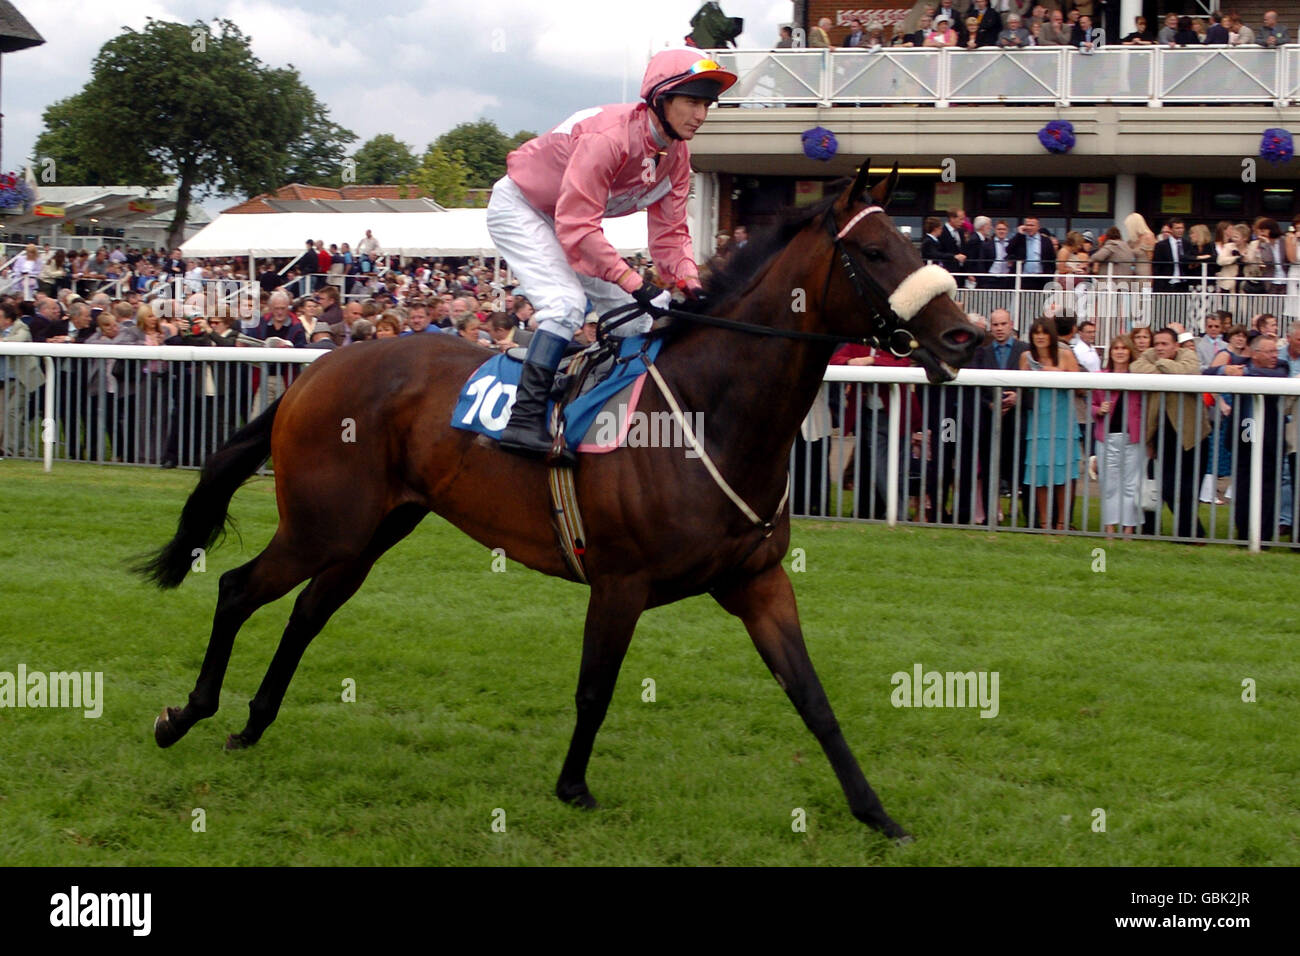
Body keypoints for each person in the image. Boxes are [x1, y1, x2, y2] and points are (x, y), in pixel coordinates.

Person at [485, 49, 734, 459]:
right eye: (692, 102)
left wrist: (690, 285)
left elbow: (671, 235)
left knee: (635, 321)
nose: (701, 114)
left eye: (706, 104)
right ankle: (523, 421)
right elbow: (578, 229)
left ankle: (592, 418)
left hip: (565, 219)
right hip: (523, 207)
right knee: (564, 305)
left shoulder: (677, 156)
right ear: (661, 99)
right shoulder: (610, 138)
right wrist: (636, 283)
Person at [1132, 325, 1208, 539]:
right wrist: (1165, 366)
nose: (1159, 348)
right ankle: (1194, 535)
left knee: (1187, 491)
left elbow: (1189, 370)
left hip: (1192, 435)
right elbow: (1136, 367)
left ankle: (1190, 535)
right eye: (1156, 344)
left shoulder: (1189, 356)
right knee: (1168, 489)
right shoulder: (1149, 356)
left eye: (1165, 344)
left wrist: (1161, 365)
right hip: (1162, 436)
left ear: (1176, 345)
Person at [1212, 334, 1290, 540]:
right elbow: (1207, 372)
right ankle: (1244, 534)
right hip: (1244, 440)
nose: (1275, 355)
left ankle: (1263, 537)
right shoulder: (1237, 365)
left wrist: (1245, 373)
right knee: (1244, 488)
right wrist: (1224, 370)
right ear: (1255, 354)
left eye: (1275, 351)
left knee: (1269, 490)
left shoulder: (1279, 368)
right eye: (1270, 352)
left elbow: (1279, 375)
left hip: (1270, 441)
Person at [1020, 317, 1080, 530]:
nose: (1040, 337)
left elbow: (1081, 386)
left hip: (1063, 420)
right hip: (1038, 420)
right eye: (1036, 333)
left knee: (1064, 474)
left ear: (1051, 335)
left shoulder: (1065, 355)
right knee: (1040, 472)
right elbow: (1020, 389)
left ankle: (1062, 522)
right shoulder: (1025, 358)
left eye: (1044, 332)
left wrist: (1059, 374)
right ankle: (1044, 522)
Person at [1092, 335, 1144, 534]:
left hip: (1133, 438)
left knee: (1131, 485)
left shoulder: (1138, 376)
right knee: (1109, 484)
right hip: (1107, 437)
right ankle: (1109, 529)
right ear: (1110, 352)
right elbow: (1091, 405)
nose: (1120, 351)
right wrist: (1098, 410)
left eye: (1124, 348)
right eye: (1116, 348)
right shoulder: (1100, 376)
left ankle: (1128, 530)